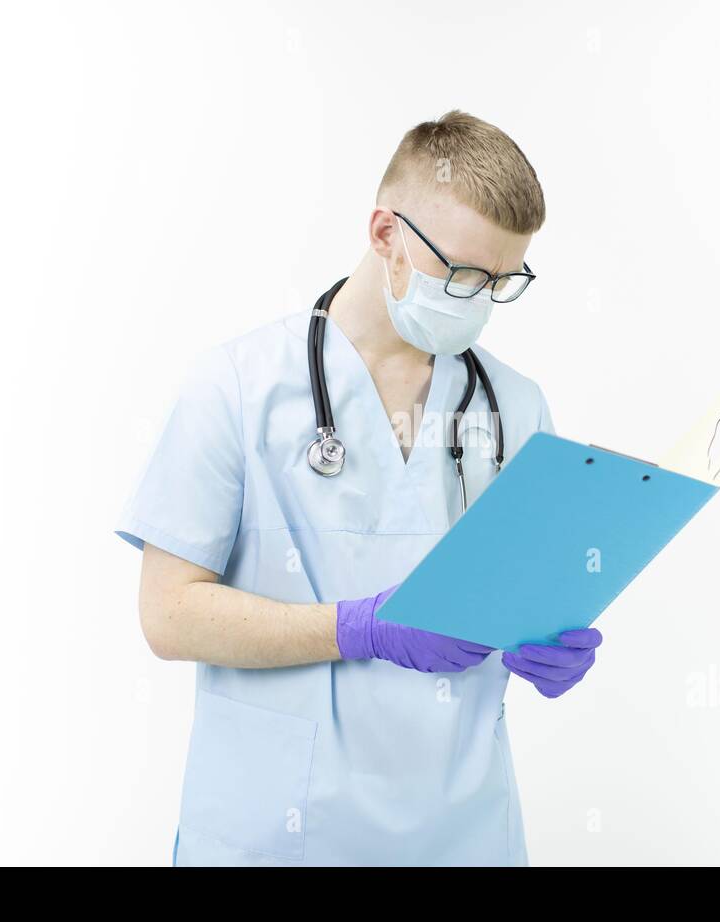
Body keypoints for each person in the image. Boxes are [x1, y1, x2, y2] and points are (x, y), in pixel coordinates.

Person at [115, 110, 603, 866]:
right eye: (465, 275)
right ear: (385, 236)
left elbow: (527, 599)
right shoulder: (236, 387)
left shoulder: (516, 409)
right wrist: (362, 628)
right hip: (272, 836)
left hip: (461, 833)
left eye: (503, 283)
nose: (478, 300)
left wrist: (547, 645)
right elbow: (168, 614)